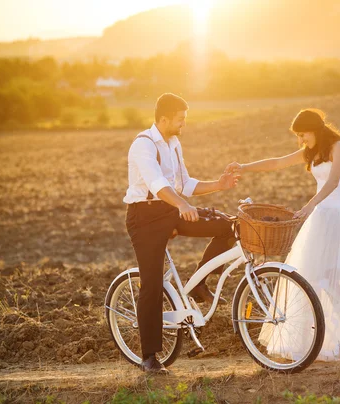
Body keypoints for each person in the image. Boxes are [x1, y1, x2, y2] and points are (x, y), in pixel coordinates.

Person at [225, 108, 340, 361]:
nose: (300, 141)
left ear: (316, 129)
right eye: (298, 136)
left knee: (337, 278)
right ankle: (325, 337)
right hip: (323, 219)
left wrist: (308, 207)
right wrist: (243, 166)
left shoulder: (338, 147)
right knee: (317, 279)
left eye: (303, 134)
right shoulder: (311, 152)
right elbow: (277, 162)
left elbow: (331, 183)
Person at [124, 93, 239, 374]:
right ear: (163, 119)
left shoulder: (174, 144)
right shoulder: (144, 145)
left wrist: (219, 185)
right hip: (145, 216)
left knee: (228, 226)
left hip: (170, 209)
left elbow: (184, 183)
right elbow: (158, 183)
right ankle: (149, 355)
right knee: (151, 283)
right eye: (180, 120)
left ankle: (199, 284)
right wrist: (184, 206)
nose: (183, 125)